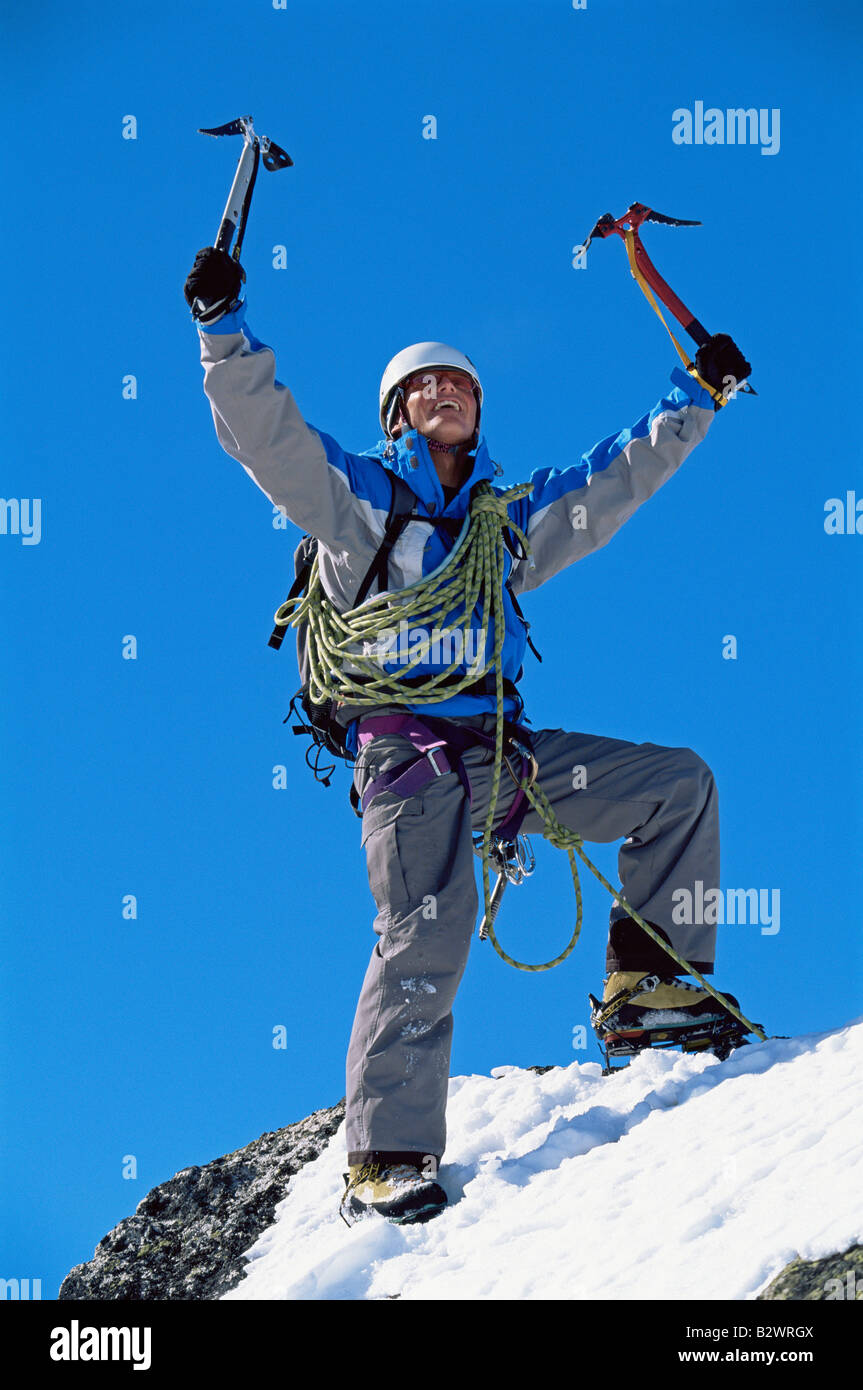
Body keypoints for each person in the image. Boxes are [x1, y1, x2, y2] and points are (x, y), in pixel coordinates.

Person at [184, 246, 752, 1227]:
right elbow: (265, 437)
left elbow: (606, 484)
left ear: (476, 413)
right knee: (423, 941)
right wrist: (221, 330)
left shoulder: (504, 525)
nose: (445, 392)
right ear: (395, 411)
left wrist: (693, 398)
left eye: (460, 384)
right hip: (411, 768)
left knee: (675, 784)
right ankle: (386, 1152)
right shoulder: (356, 505)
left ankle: (652, 983)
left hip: (507, 759)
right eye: (423, 385)